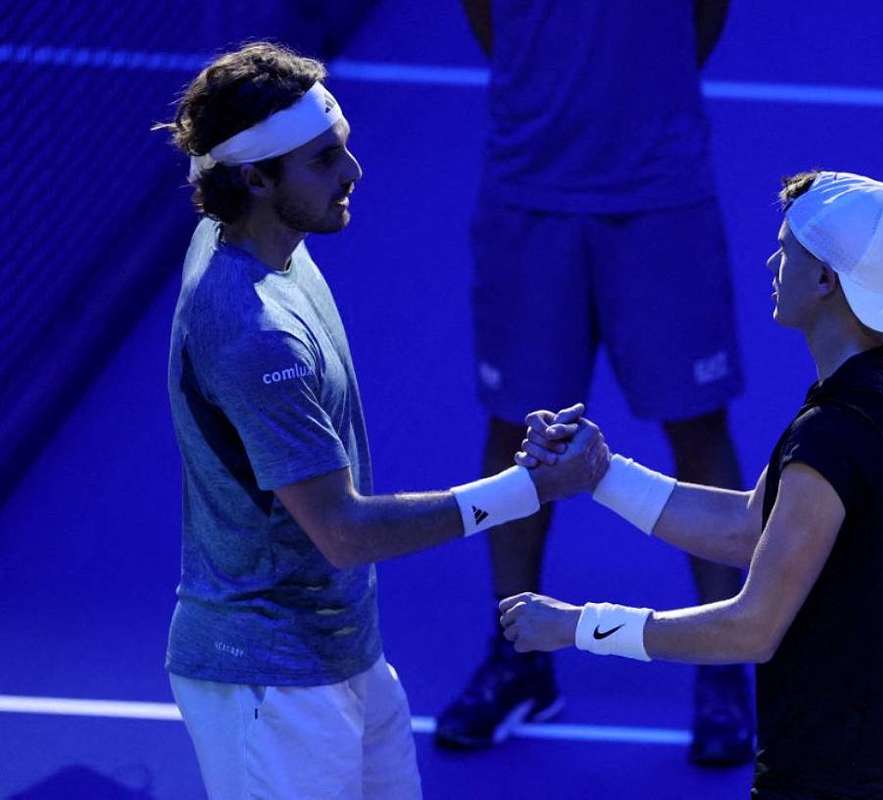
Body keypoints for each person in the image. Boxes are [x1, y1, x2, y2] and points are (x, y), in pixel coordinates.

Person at [159, 42, 606, 800]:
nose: (353, 173)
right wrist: (525, 489)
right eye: (325, 160)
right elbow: (345, 533)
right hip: (270, 685)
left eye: (344, 148)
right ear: (256, 178)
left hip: (345, 654)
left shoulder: (265, 246)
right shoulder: (252, 330)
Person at [502, 172, 883, 799]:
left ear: (826, 279)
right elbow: (752, 527)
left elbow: (751, 628)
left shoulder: (832, 433)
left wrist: (579, 626)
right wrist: (600, 474)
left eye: (788, 251)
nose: (774, 263)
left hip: (836, 778)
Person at [440, 0, 754, 764]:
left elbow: (703, 17)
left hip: (659, 190)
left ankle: (724, 660)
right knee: (517, 429)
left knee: (699, 425)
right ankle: (519, 655)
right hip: (528, 188)